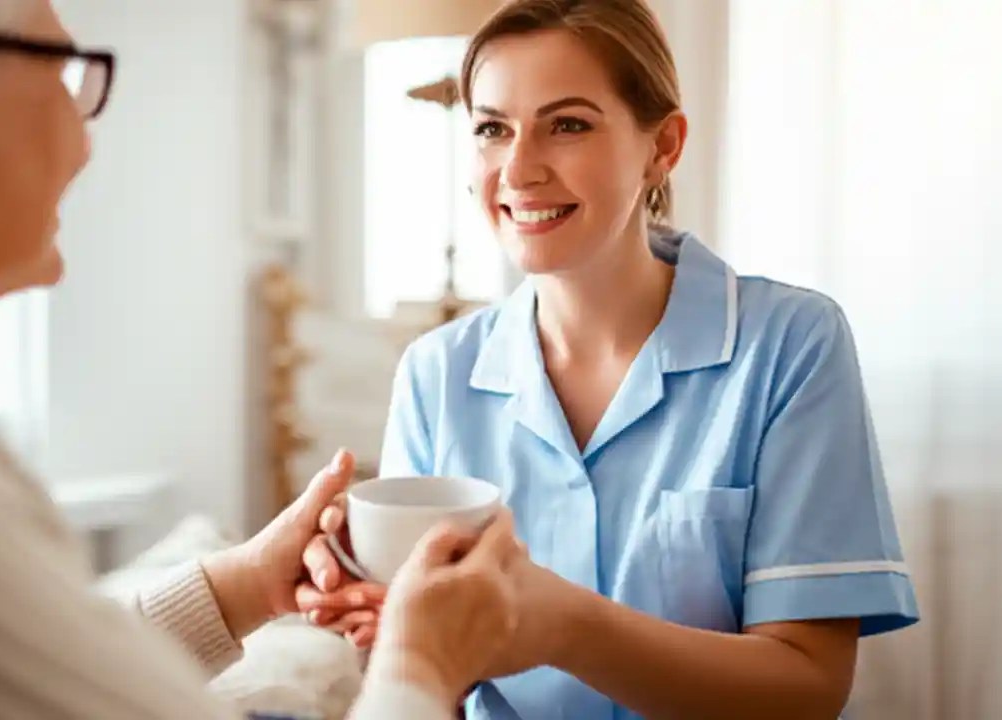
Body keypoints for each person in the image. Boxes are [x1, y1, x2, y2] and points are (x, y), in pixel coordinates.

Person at [0, 0, 528, 717]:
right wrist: (422, 661)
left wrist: (241, 587)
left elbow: (7, 672)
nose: (84, 137)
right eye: (63, 69)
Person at [299, 0, 921, 718]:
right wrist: (370, 608)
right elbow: (417, 671)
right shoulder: (434, 374)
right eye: (493, 130)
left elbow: (806, 689)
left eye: (567, 124)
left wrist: (560, 625)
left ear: (663, 147)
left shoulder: (791, 345)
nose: (519, 170)